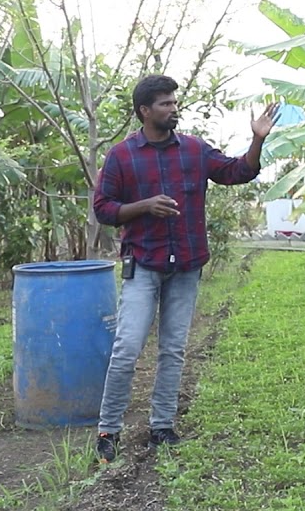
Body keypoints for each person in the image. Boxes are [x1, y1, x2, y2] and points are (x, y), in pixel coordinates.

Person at [91, 74, 277, 463]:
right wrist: (143, 206)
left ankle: (162, 426)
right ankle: (108, 430)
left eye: (175, 102)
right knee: (127, 349)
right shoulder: (122, 156)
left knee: (173, 350)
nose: (174, 108)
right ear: (145, 111)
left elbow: (238, 171)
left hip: (187, 266)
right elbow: (103, 209)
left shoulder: (194, 150)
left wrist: (257, 139)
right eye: (165, 104)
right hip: (143, 263)